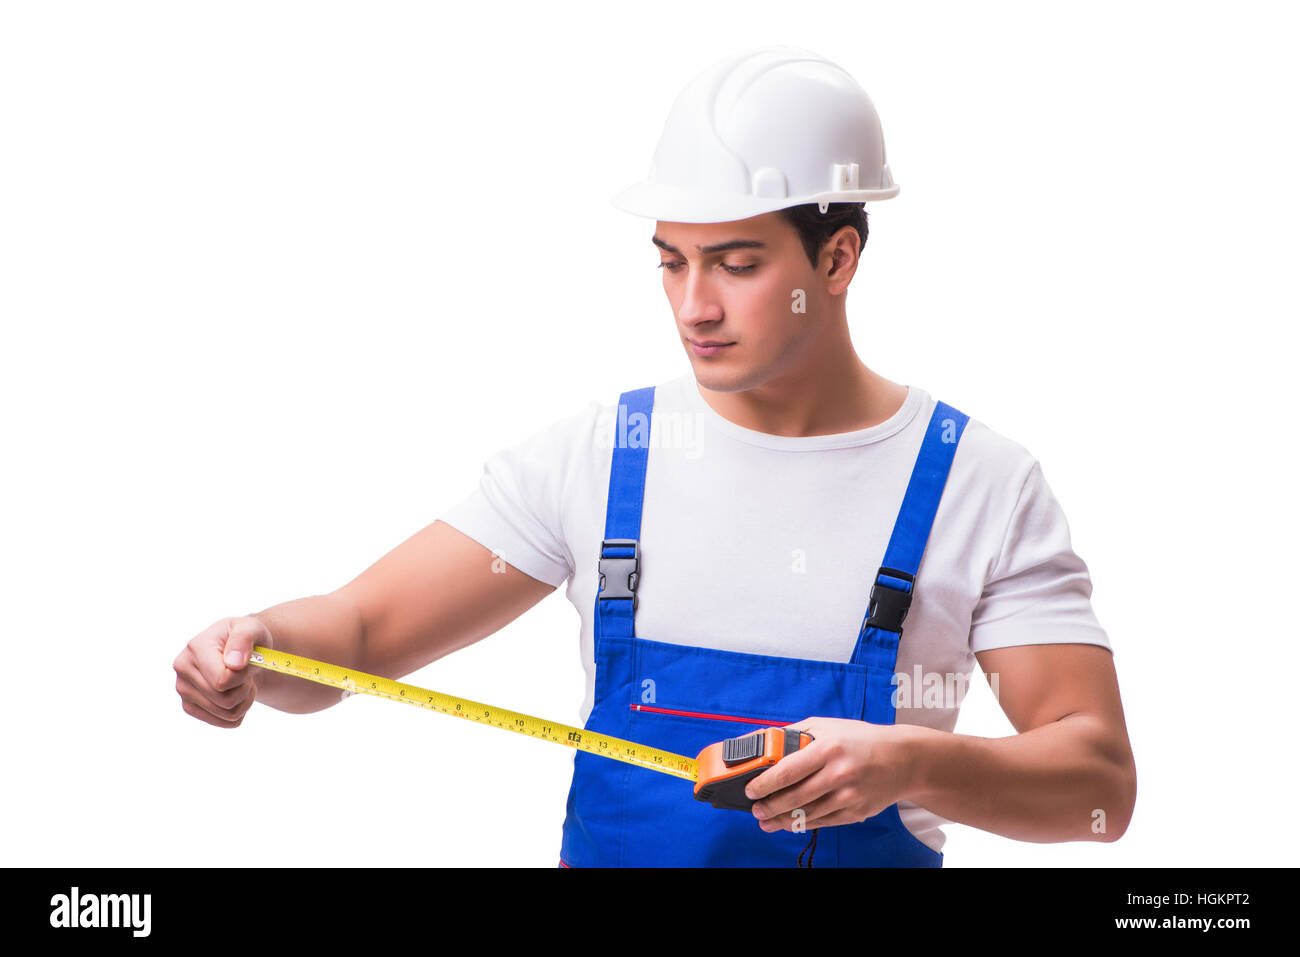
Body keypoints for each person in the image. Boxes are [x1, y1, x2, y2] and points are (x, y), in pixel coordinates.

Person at [174, 46, 1136, 867]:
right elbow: (362, 634)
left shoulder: (979, 484)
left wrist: (909, 763)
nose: (693, 306)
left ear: (837, 260)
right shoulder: (602, 457)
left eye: (738, 263)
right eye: (672, 260)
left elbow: (1097, 781)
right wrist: (258, 651)